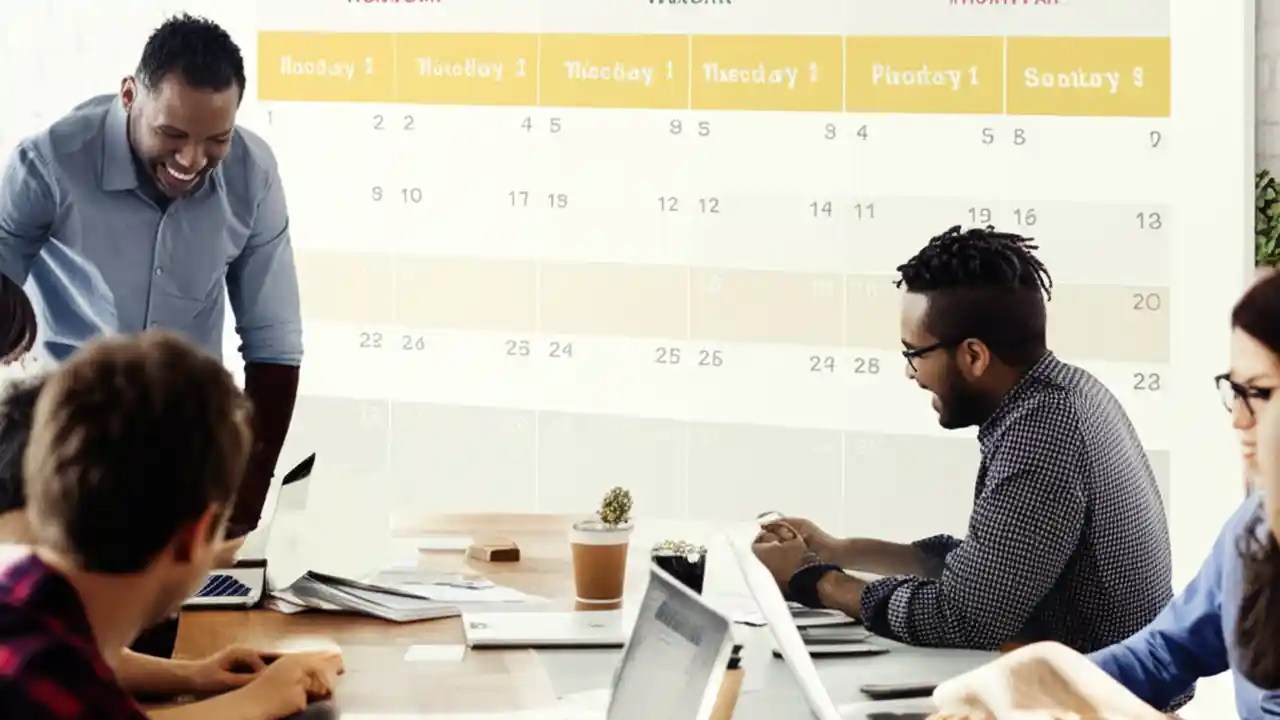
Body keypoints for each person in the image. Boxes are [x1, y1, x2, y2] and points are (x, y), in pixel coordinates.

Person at [752, 226, 1174, 655]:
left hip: (1101, 701)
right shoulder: (1065, 394)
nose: (909, 373)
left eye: (914, 354)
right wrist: (837, 551)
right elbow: (985, 567)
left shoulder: (1044, 431)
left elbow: (964, 616)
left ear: (973, 356)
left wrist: (810, 580)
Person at [0, 13, 301, 544]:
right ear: (129, 95)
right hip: (69, 447)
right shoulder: (48, 163)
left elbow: (274, 343)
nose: (192, 158)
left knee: (193, 623)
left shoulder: (252, 173)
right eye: (172, 133)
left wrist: (246, 493)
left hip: (188, 448)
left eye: (216, 139)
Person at [924, 271, 1280, 720]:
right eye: (1235, 391)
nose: (1240, 421)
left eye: (1261, 393)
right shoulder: (1254, 528)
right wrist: (1033, 693)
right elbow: (1163, 654)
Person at [0, 331, 341, 719]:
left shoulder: (20, 591)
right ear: (196, 536)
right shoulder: (63, 695)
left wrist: (197, 674)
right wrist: (254, 703)